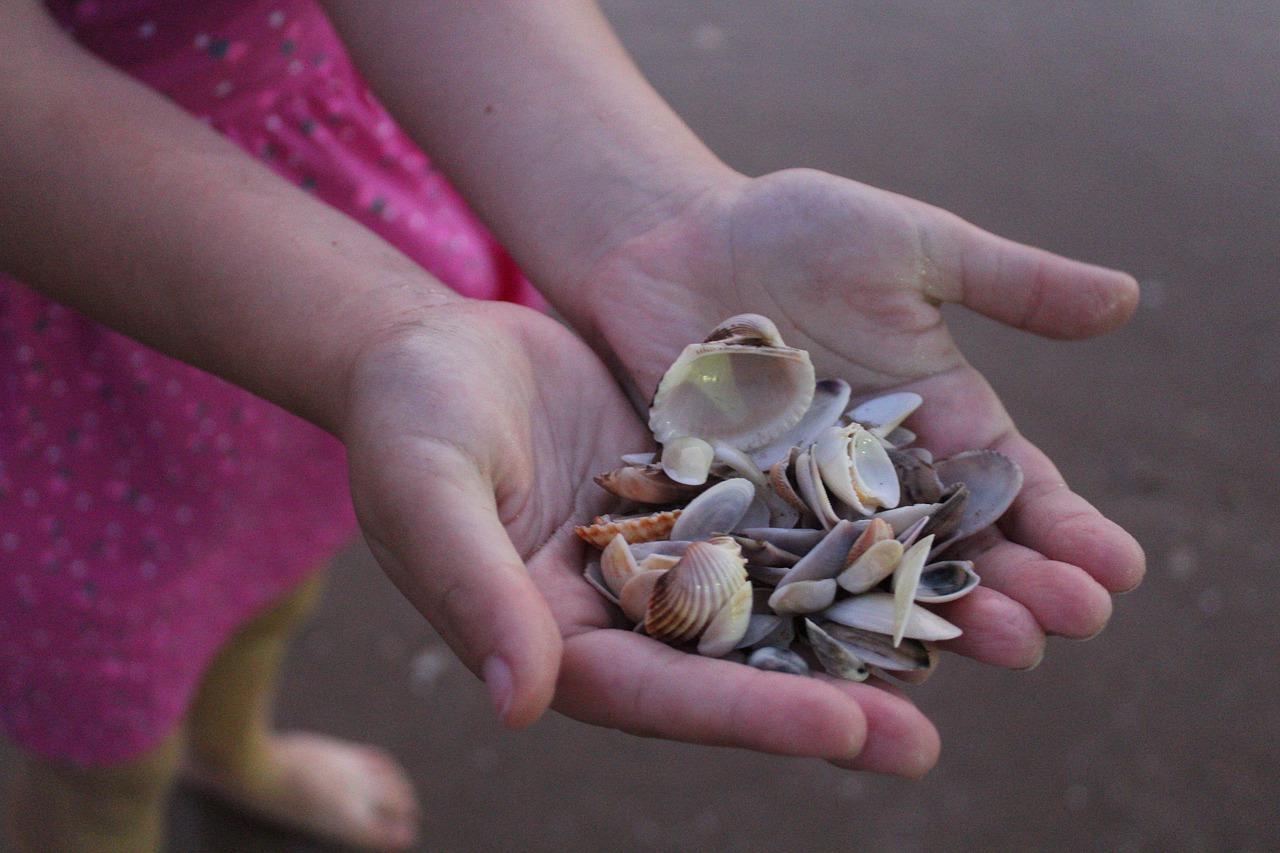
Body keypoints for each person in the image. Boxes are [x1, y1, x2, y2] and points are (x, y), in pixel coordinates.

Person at [0, 1, 1147, 850]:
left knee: (271, 575)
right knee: (105, 708)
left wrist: (658, 206)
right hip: (77, 329)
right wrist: (372, 339)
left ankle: (231, 747)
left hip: (358, 237)